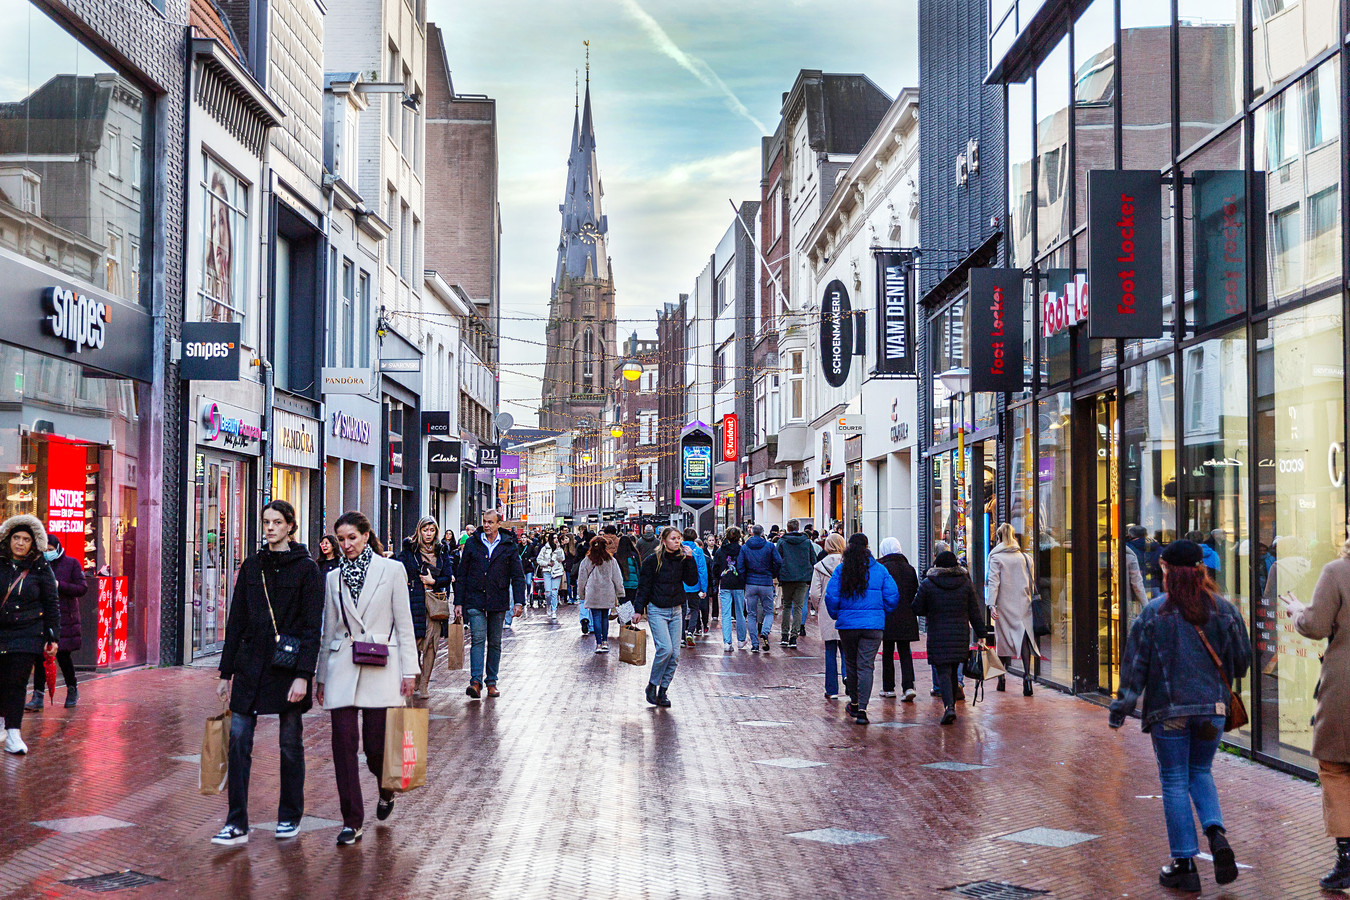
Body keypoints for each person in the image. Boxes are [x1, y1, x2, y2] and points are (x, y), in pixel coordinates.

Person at [1108, 540, 1250, 892]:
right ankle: (1216, 834)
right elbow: (1242, 662)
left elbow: (1135, 667)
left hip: (1169, 712)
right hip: (1213, 711)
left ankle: (1184, 863)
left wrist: (1121, 708)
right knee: (1200, 771)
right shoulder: (1225, 611)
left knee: (1173, 780)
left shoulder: (1153, 613)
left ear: (1167, 572)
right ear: (1202, 570)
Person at [212, 500, 324, 846]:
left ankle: (290, 816)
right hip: (250, 666)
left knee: (290, 744)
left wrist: (304, 675)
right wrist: (225, 672)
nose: (270, 528)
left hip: (287, 667)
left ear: (290, 526)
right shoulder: (252, 566)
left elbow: (312, 629)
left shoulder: (307, 569)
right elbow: (236, 621)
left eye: (277, 522)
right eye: (266, 522)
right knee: (238, 741)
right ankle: (236, 823)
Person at [316, 511, 418, 847]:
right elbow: (328, 630)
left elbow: (404, 624)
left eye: (352, 538)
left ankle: (386, 788)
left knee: (376, 748)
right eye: (341, 539)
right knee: (343, 746)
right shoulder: (333, 577)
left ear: (365, 535)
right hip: (342, 666)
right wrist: (321, 676)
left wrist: (409, 671)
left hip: (381, 663)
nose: (346, 545)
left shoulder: (392, 570)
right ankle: (352, 821)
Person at [1283, 544, 1350, 890]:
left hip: (1345, 686)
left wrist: (1298, 612)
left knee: (1335, 767)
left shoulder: (1337, 571)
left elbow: (1316, 624)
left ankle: (1347, 858)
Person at [824, 534, 899, 725]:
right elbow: (892, 596)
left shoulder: (842, 570)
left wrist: (838, 614)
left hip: (848, 625)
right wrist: (880, 613)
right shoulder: (880, 569)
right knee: (866, 665)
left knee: (851, 663)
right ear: (867, 547)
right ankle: (863, 710)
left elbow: (831, 596)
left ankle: (855, 702)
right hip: (873, 626)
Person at [0, 516, 58, 755]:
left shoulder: (41, 567)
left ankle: (13, 734)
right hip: (1, 629)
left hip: (28, 632)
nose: (20, 543)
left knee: (17, 682)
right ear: (8, 539)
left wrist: (53, 637)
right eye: (16, 538)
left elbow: (52, 602)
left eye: (26, 539)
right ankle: (2, 722)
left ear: (33, 543)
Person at [454, 510, 526, 698]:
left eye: (490, 522)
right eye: (484, 521)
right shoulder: (473, 543)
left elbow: (517, 576)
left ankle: (492, 682)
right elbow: (462, 574)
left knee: (494, 642)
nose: (486, 525)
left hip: (498, 599)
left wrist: (519, 601)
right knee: (478, 639)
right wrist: (458, 602)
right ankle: (475, 682)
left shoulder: (508, 544)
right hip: (475, 598)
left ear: (498, 524)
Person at [913, 550, 986, 725]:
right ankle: (951, 705)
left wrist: (930, 609)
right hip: (960, 634)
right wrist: (981, 634)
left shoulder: (928, 583)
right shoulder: (965, 583)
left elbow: (916, 608)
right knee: (953, 670)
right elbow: (974, 610)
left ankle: (949, 707)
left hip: (938, 633)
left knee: (943, 671)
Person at [633, 527, 698, 708]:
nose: (677, 542)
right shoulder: (652, 561)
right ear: (663, 541)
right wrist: (638, 609)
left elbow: (692, 581)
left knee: (675, 655)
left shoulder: (682, 559)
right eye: (673, 538)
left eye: (679, 538)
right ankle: (652, 685)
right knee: (665, 649)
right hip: (657, 610)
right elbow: (644, 586)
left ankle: (663, 690)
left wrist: (690, 558)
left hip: (676, 610)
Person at [24, 535, 85, 712]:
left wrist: (59, 585)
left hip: (64, 618)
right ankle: (38, 696)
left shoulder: (71, 564)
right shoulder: (37, 565)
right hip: (41, 617)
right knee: (40, 656)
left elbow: (82, 588)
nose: (47, 553)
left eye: (50, 550)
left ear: (57, 548)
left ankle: (72, 689)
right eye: (44, 550)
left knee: (63, 656)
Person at [396, 516, 454, 699]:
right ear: (419, 531)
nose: (428, 534)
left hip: (434, 603)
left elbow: (448, 576)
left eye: (432, 530)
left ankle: (425, 685)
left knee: (431, 645)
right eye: (425, 530)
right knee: (413, 644)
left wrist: (433, 581)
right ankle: (417, 673)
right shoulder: (409, 550)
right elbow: (398, 569)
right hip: (414, 601)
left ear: (436, 532)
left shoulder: (442, 550)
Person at [986, 523, 1040, 697]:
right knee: (1024, 639)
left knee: (1002, 640)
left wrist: (991, 604)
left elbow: (993, 583)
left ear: (999, 537)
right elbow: (1030, 581)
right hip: (1023, 604)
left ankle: (1001, 678)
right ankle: (1027, 676)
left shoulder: (996, 558)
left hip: (1004, 604)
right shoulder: (1025, 557)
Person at [877, 537, 920, 701]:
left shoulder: (882, 568)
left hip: (888, 615)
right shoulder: (909, 569)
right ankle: (908, 686)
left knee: (887, 651)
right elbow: (915, 590)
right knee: (905, 651)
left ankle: (888, 687)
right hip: (906, 615)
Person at [810, 533, 847, 699]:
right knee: (846, 648)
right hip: (846, 609)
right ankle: (847, 675)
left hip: (827, 611)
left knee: (830, 650)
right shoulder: (848, 565)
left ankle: (832, 690)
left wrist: (818, 607)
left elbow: (814, 592)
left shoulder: (820, 566)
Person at [576, 535, 625, 652]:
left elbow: (581, 579)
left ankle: (598, 644)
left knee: (596, 617)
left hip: (592, 592)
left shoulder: (586, 561)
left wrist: (581, 594)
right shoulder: (611, 561)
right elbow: (617, 578)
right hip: (607, 592)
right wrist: (620, 593)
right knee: (604, 618)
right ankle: (605, 642)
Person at [737, 524, 782, 653]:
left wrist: (745, 578)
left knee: (751, 614)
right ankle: (765, 631)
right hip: (766, 582)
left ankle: (755, 644)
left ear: (751, 533)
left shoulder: (745, 547)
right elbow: (778, 562)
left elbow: (740, 566)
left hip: (750, 583)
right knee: (769, 611)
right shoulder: (769, 546)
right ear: (762, 533)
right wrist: (772, 574)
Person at [774, 519, 815, 647]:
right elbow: (813, 559)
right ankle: (794, 636)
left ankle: (784, 635)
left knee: (786, 606)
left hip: (786, 577)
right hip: (802, 578)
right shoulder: (806, 542)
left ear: (788, 528)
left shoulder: (782, 542)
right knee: (798, 607)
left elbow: (777, 560)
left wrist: (779, 575)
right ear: (798, 528)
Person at [712, 526, 747, 651]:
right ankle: (741, 640)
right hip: (739, 584)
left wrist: (717, 580)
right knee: (740, 612)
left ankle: (727, 642)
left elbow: (715, 568)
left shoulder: (720, 551)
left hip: (725, 583)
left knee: (726, 614)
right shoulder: (742, 550)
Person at [680, 528, 708, 647]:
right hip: (694, 585)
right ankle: (691, 631)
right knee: (694, 609)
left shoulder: (678, 549)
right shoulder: (698, 551)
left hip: (680, 585)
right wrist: (704, 588)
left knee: (681, 611)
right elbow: (702, 570)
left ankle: (681, 637)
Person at [540, 534, 566, 619]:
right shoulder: (544, 549)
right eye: (554, 538)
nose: (556, 539)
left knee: (554, 592)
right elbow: (539, 560)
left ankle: (554, 610)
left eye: (557, 538)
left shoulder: (559, 549)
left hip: (557, 571)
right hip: (547, 571)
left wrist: (558, 550)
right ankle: (548, 605)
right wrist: (546, 563)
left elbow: (562, 559)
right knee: (548, 592)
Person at [615, 534, 642, 609]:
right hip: (633, 584)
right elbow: (638, 569)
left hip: (621, 584)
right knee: (631, 603)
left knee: (623, 604)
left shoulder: (616, 556)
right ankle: (629, 615)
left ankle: (624, 615)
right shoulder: (634, 555)